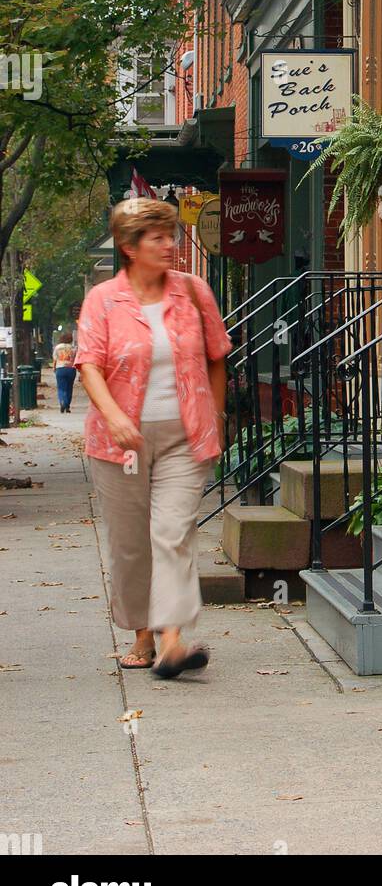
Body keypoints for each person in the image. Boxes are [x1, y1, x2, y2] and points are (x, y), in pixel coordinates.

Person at [75, 198, 232, 679]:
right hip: (119, 440)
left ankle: (171, 641)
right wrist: (114, 414)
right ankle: (142, 632)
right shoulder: (103, 299)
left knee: (172, 533)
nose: (170, 245)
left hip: (185, 434)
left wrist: (216, 414)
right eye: (157, 238)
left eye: (171, 235)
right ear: (129, 247)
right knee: (131, 544)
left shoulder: (193, 290)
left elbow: (216, 356)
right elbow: (89, 364)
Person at [53, 333, 76, 413]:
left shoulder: (57, 348)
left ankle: (62, 401)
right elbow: (75, 359)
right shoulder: (73, 348)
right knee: (69, 388)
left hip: (60, 368)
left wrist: (54, 367)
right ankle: (67, 405)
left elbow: (55, 359)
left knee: (61, 387)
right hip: (71, 368)